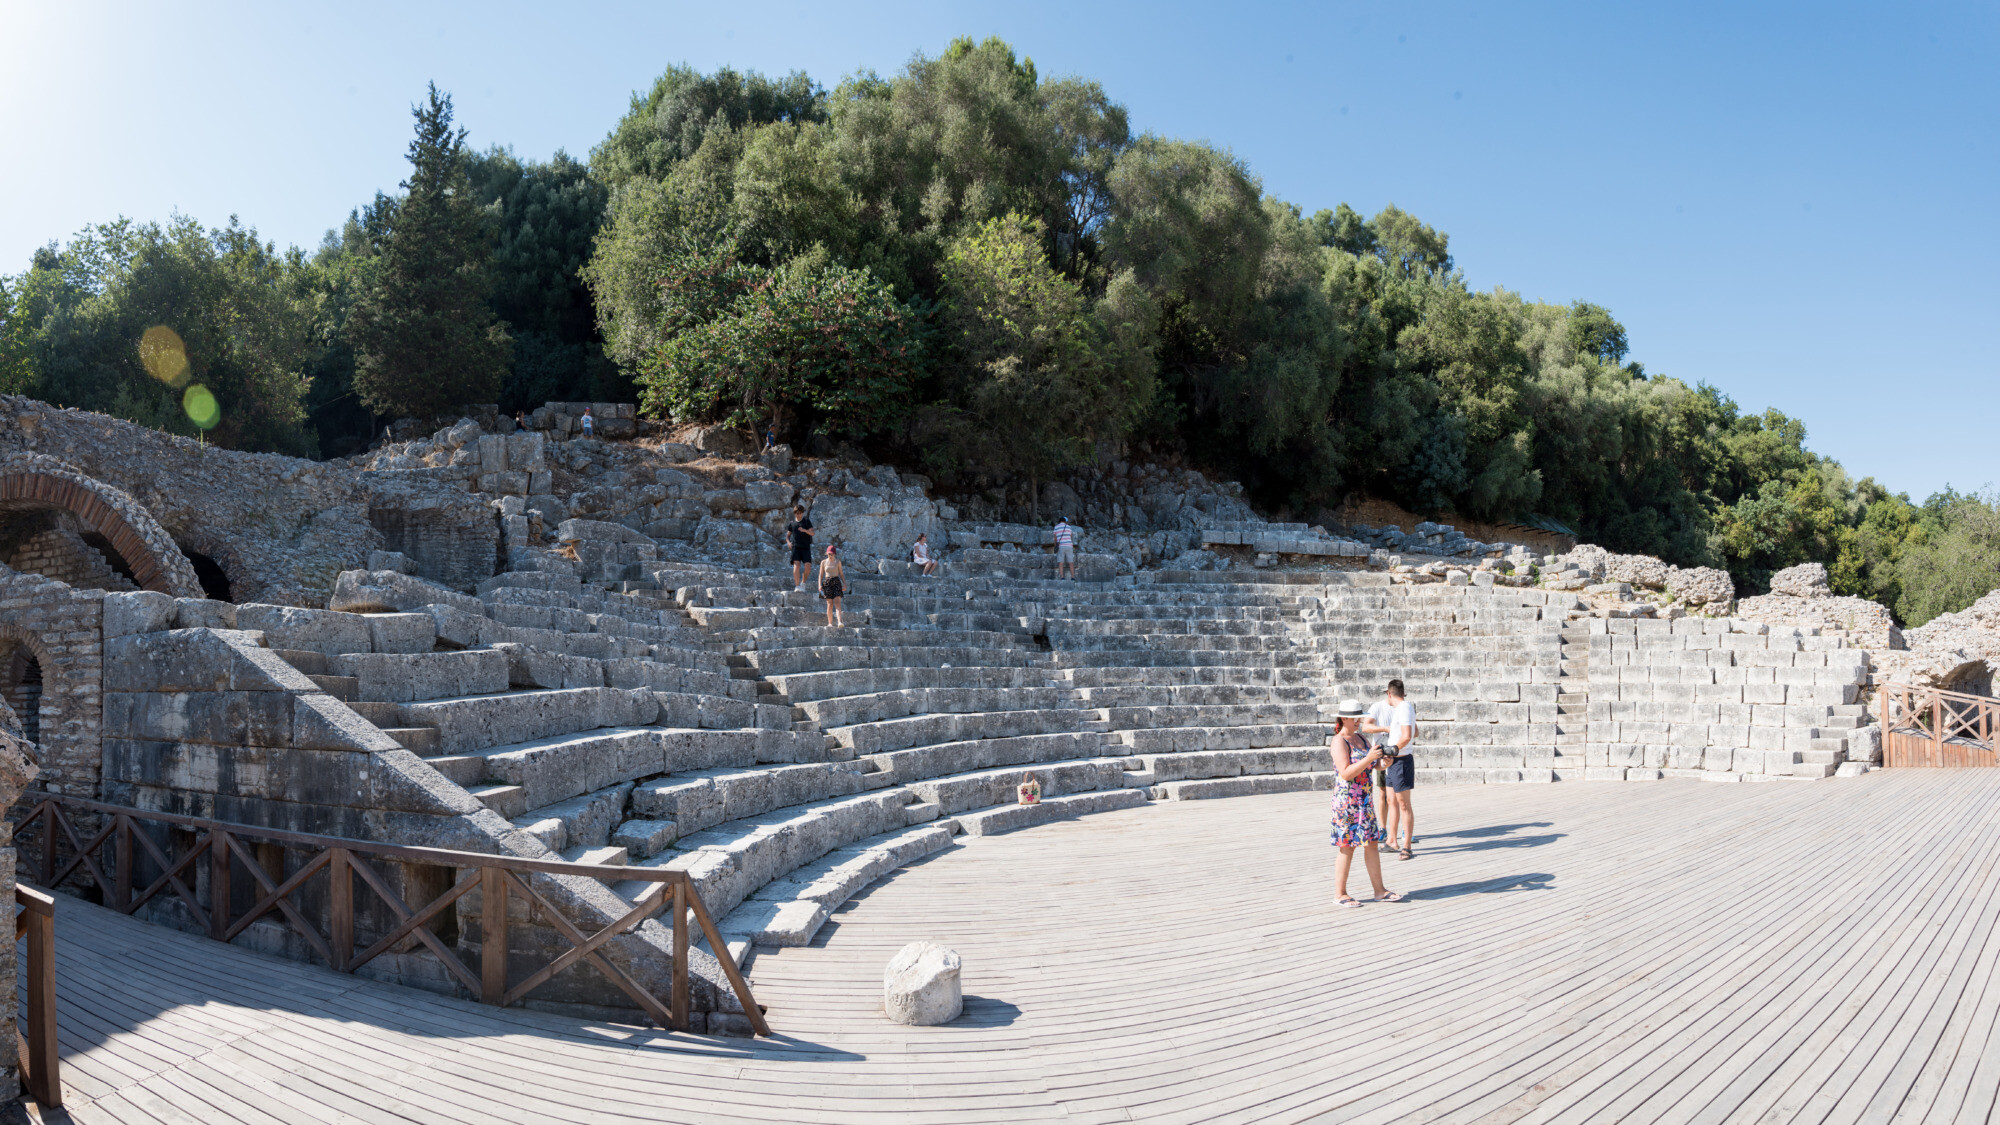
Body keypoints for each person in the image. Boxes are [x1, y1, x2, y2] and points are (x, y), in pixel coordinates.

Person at [1330, 699, 1402, 906]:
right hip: (1347, 802)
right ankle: (1340, 894)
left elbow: (1373, 765)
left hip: (1364, 800)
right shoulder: (1338, 742)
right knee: (1347, 846)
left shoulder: (1361, 737)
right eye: (1355, 719)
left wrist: (1383, 762)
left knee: (1371, 844)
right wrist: (1370, 758)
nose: (1359, 722)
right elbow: (1345, 773)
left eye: (1359, 718)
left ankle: (1379, 890)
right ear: (1344, 718)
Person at [1361, 679, 1418, 860]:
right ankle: (1392, 840)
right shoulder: (1402, 709)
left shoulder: (1404, 708)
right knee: (1391, 800)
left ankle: (1407, 846)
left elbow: (1408, 736)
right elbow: (1413, 732)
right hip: (1394, 761)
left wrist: (1392, 751)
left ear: (1389, 693)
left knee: (1403, 804)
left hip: (1400, 761)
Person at [785, 505, 815, 591]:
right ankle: (797, 586)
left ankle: (803, 582)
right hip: (796, 547)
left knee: (808, 566)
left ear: (802, 513)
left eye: (800, 513)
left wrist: (805, 530)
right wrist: (788, 542)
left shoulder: (806, 521)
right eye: (797, 513)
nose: (799, 515)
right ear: (794, 513)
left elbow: (812, 533)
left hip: (806, 547)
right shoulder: (791, 523)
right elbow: (787, 536)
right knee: (796, 565)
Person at [818, 544, 847, 627]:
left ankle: (839, 622)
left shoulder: (838, 562)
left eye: (831, 554)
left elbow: (841, 574)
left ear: (834, 554)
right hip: (827, 582)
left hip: (836, 582)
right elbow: (820, 574)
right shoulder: (823, 562)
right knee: (829, 604)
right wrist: (819, 585)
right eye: (828, 554)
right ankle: (830, 623)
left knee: (837, 602)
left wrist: (844, 583)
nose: (830, 555)